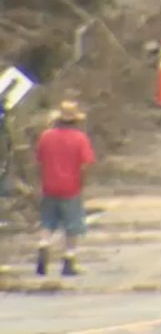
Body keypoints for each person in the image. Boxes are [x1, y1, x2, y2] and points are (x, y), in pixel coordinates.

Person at [34, 101, 96, 277]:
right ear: (76, 121)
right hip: (71, 187)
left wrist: (43, 180)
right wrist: (82, 183)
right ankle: (69, 261)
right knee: (72, 226)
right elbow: (85, 165)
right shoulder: (80, 138)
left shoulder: (46, 136)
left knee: (47, 221)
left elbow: (39, 161)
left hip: (49, 186)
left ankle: (43, 245)